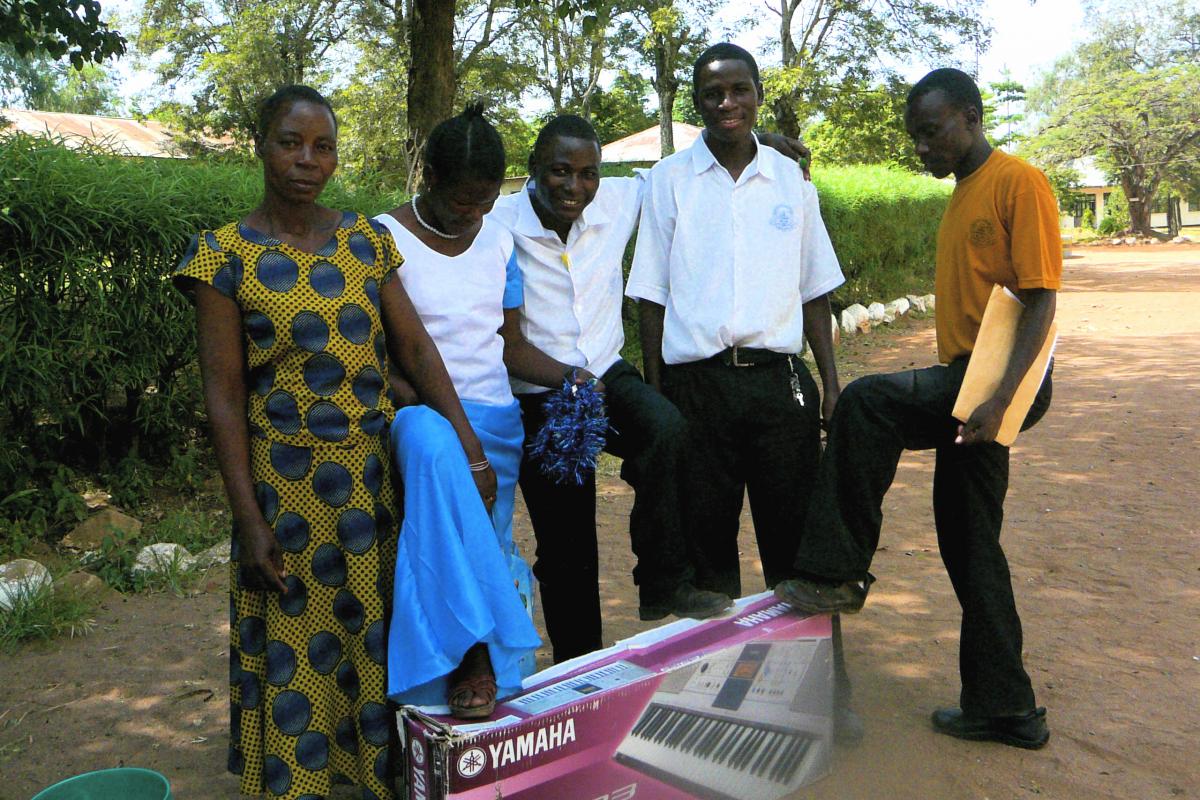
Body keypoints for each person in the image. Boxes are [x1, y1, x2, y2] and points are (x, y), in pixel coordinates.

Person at [175, 85, 493, 799]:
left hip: (371, 487)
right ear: (260, 143)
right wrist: (247, 519)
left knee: (377, 638)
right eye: (291, 142)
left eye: (322, 146)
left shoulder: (364, 241)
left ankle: (375, 778)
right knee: (297, 648)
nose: (306, 160)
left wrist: (469, 448)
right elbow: (223, 398)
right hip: (282, 493)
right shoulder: (221, 257)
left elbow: (415, 351)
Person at [774, 68, 1060, 750]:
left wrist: (997, 398)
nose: (923, 149)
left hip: (994, 384)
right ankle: (1007, 706)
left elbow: (1042, 300)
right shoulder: (963, 195)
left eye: (932, 133)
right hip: (969, 385)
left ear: (971, 114)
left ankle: (835, 571)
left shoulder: (1019, 181)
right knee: (970, 542)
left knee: (869, 401)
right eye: (916, 139)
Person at [489, 114, 814, 664]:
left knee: (665, 430)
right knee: (568, 545)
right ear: (532, 171)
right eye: (560, 172)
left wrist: (758, 143)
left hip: (604, 373)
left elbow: (680, 171)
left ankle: (663, 578)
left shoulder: (618, 199)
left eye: (588, 173)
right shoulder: (499, 225)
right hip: (542, 393)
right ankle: (579, 663)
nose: (575, 187)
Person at [627, 43, 844, 602]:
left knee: (796, 554)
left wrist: (832, 387)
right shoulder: (669, 180)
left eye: (739, 89)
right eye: (713, 93)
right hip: (696, 390)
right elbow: (650, 296)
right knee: (707, 556)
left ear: (758, 95)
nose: (727, 102)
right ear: (697, 103)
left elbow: (814, 291)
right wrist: (657, 396)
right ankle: (705, 687)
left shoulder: (791, 181)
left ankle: (812, 685)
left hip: (780, 386)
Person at [373, 105, 541, 720]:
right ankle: (463, 662)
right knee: (439, 531)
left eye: (485, 202)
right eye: (461, 201)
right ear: (429, 177)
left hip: (496, 418)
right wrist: (406, 396)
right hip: (422, 418)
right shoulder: (380, 238)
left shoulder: (500, 239)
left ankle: (500, 700)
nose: (473, 214)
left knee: (489, 547)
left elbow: (510, 341)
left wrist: (576, 378)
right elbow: (371, 349)